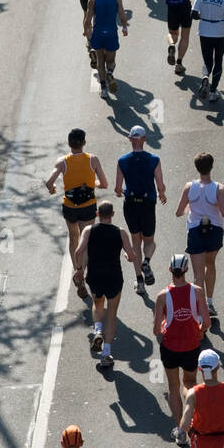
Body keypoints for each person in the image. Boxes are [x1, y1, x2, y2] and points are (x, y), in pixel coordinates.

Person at [74, 201, 141, 369]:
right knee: (111, 313)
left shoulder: (89, 230)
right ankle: (106, 354)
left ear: (97, 214)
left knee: (98, 304)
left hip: (95, 276)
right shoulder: (120, 232)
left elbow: (78, 251)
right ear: (112, 214)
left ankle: (97, 330)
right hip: (114, 277)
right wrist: (127, 256)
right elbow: (132, 256)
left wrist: (79, 269)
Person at [155, 254, 210, 437]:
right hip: (191, 346)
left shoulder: (162, 296)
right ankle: (191, 418)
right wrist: (199, 332)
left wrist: (164, 329)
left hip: (170, 347)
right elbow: (207, 322)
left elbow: (156, 330)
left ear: (170, 270)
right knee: (190, 383)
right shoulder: (197, 291)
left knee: (173, 387)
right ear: (186, 270)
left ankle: (180, 429)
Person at [45, 129, 108, 281]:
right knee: (85, 239)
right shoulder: (93, 159)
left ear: (68, 143)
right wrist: (94, 184)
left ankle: (76, 269)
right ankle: (83, 271)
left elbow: (49, 182)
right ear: (84, 143)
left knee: (74, 237)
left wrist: (52, 189)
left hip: (70, 207)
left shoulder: (62, 161)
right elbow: (104, 184)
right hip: (88, 205)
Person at [175, 153, 224, 316]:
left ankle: (200, 308)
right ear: (211, 167)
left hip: (195, 230)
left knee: (198, 274)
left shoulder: (189, 187)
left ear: (196, 168)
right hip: (214, 230)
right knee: (210, 264)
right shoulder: (219, 188)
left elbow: (178, 212)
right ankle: (210, 302)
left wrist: (191, 207)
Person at [114, 125, 166, 289]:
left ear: (130, 139)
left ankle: (140, 281)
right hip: (147, 203)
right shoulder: (153, 159)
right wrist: (162, 194)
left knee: (135, 241)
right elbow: (160, 185)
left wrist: (120, 192)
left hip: (130, 204)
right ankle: (147, 261)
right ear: (144, 139)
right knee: (149, 241)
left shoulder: (122, 161)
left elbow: (117, 188)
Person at [153, 0, 198, 80]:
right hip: (185, 7)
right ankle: (179, 63)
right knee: (185, 35)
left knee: (173, 34)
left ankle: (171, 45)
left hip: (172, 6)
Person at [83, 0, 128, 97]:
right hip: (111, 34)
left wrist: (87, 32)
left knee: (100, 61)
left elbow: (88, 20)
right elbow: (122, 15)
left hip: (98, 34)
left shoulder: (92, 0)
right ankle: (110, 73)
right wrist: (124, 27)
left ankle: (103, 88)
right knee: (111, 60)